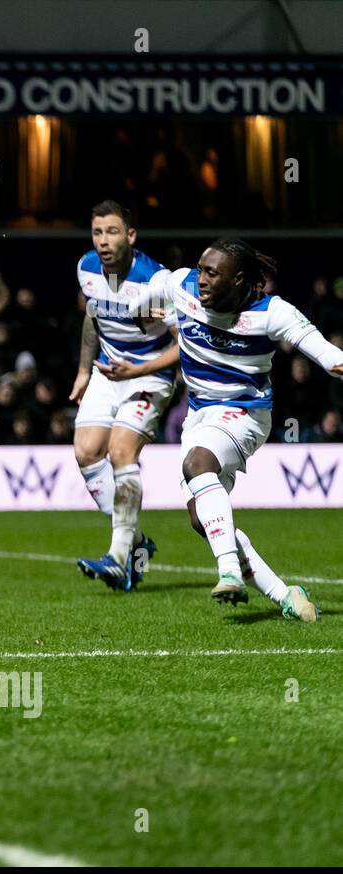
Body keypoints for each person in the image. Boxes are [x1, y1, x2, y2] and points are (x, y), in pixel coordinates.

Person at [105, 237, 343, 620]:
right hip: (199, 417)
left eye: (212, 273)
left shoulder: (272, 313)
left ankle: (229, 570)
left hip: (245, 414)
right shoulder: (180, 286)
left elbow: (330, 358)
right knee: (204, 520)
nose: (201, 279)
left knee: (197, 465)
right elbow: (138, 308)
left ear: (238, 281)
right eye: (201, 269)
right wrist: (144, 316)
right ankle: (286, 594)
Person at [68, 200, 174, 591]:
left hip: (149, 376)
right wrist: (82, 370)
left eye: (112, 232)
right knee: (85, 451)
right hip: (107, 372)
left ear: (131, 236)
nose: (103, 242)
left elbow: (183, 346)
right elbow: (92, 316)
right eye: (97, 233)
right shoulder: (86, 268)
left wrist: (140, 370)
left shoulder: (156, 281)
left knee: (120, 452)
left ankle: (117, 558)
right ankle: (136, 541)